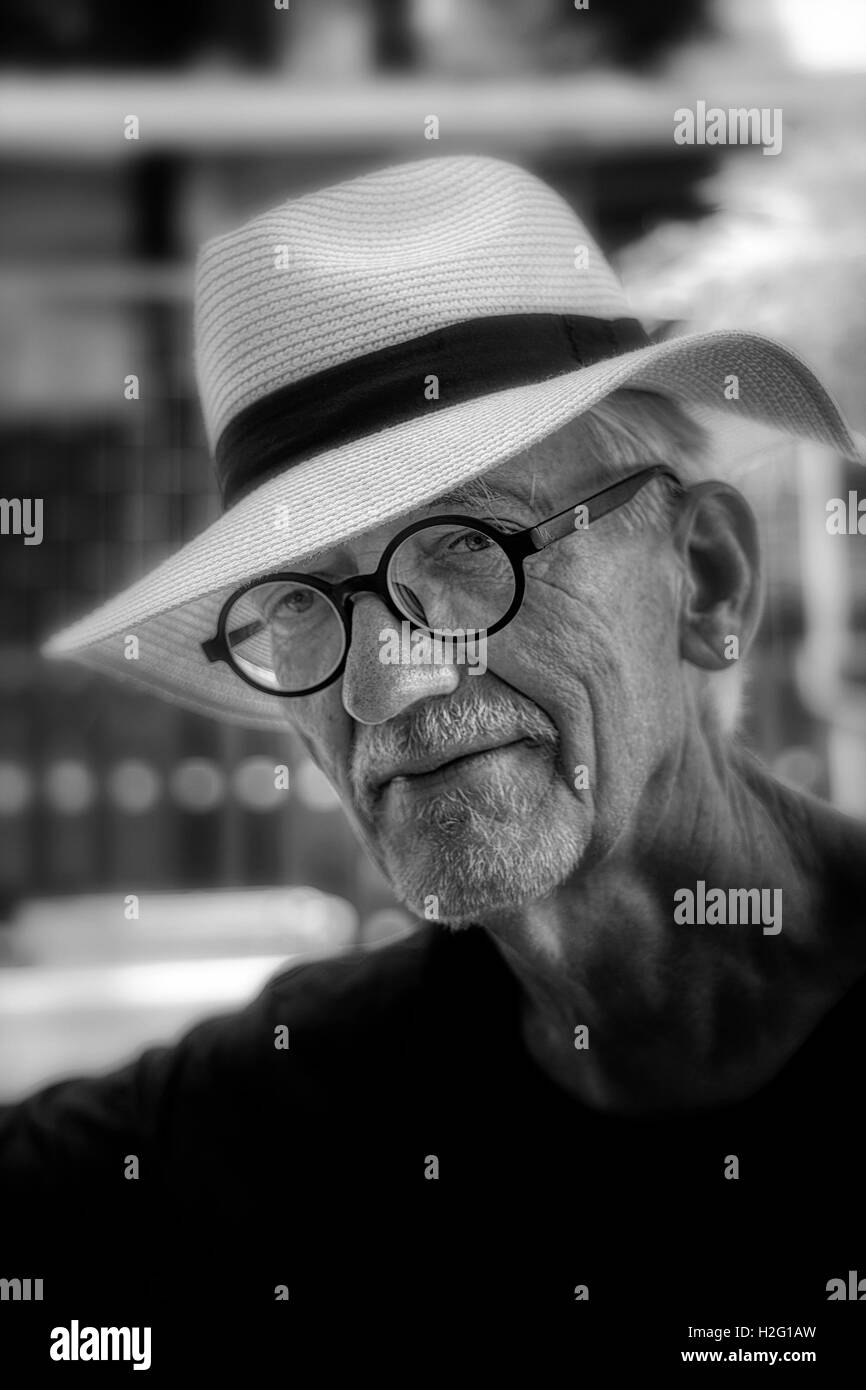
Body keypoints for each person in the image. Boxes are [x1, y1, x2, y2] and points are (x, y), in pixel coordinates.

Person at [2, 157, 865, 1358]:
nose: (379, 680)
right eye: (302, 600)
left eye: (466, 543)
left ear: (705, 577)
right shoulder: (317, 1094)